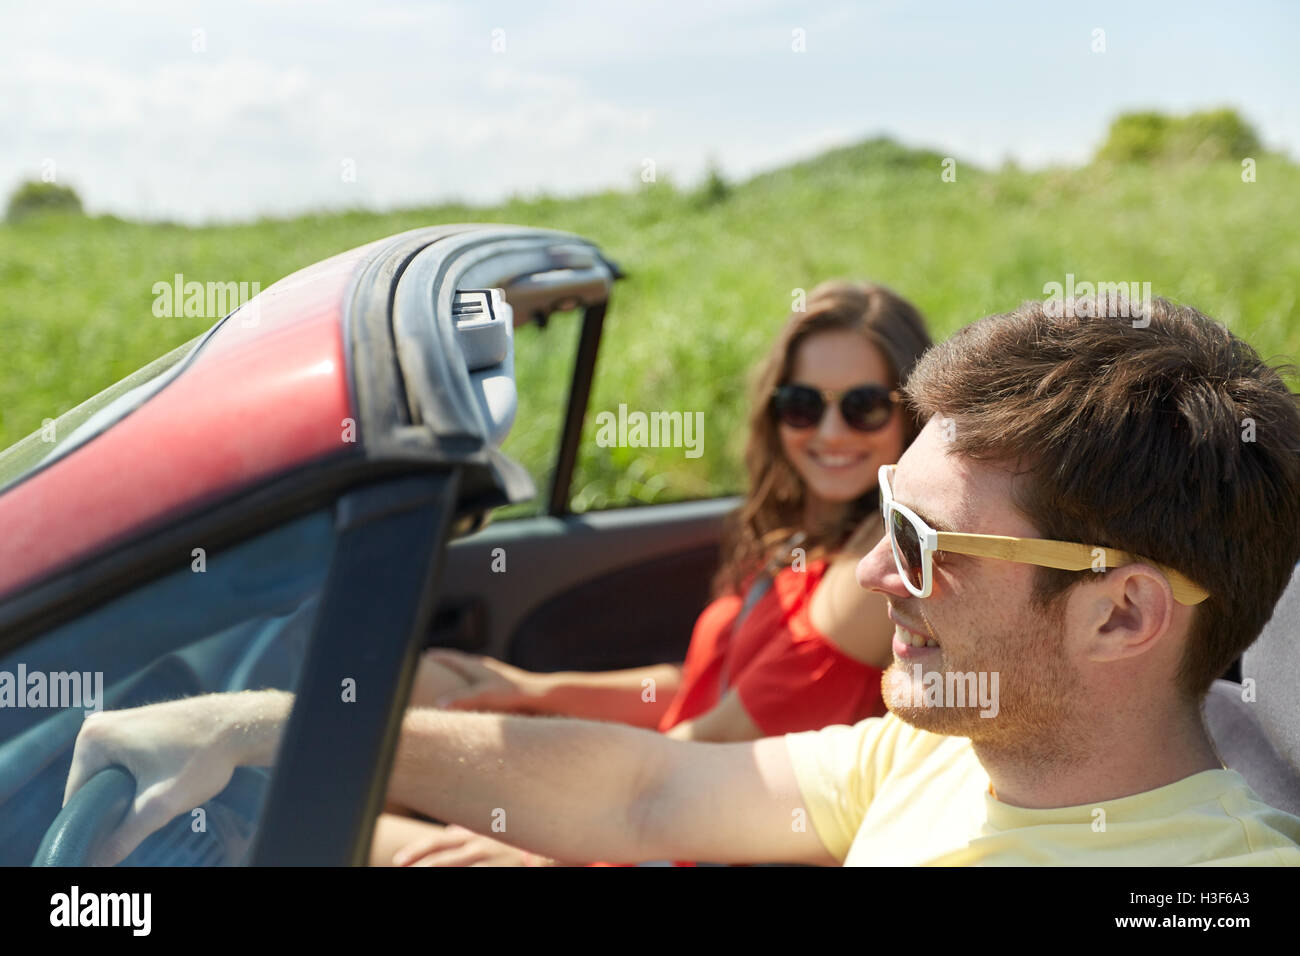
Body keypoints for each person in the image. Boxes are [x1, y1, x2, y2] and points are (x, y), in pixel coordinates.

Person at [66, 294, 1300, 866]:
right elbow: (651, 788)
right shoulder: (946, 751)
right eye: (883, 519)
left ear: (1122, 610)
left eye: (923, 544)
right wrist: (253, 726)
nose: (874, 569)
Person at [373, 280, 934, 865]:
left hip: (698, 825)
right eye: (803, 404)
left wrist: (539, 838)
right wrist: (533, 689)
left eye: (864, 406)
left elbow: (715, 741)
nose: (830, 433)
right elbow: (706, 683)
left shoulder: (876, 566)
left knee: (370, 839)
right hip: (667, 782)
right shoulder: (802, 534)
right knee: (429, 682)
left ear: (911, 413)